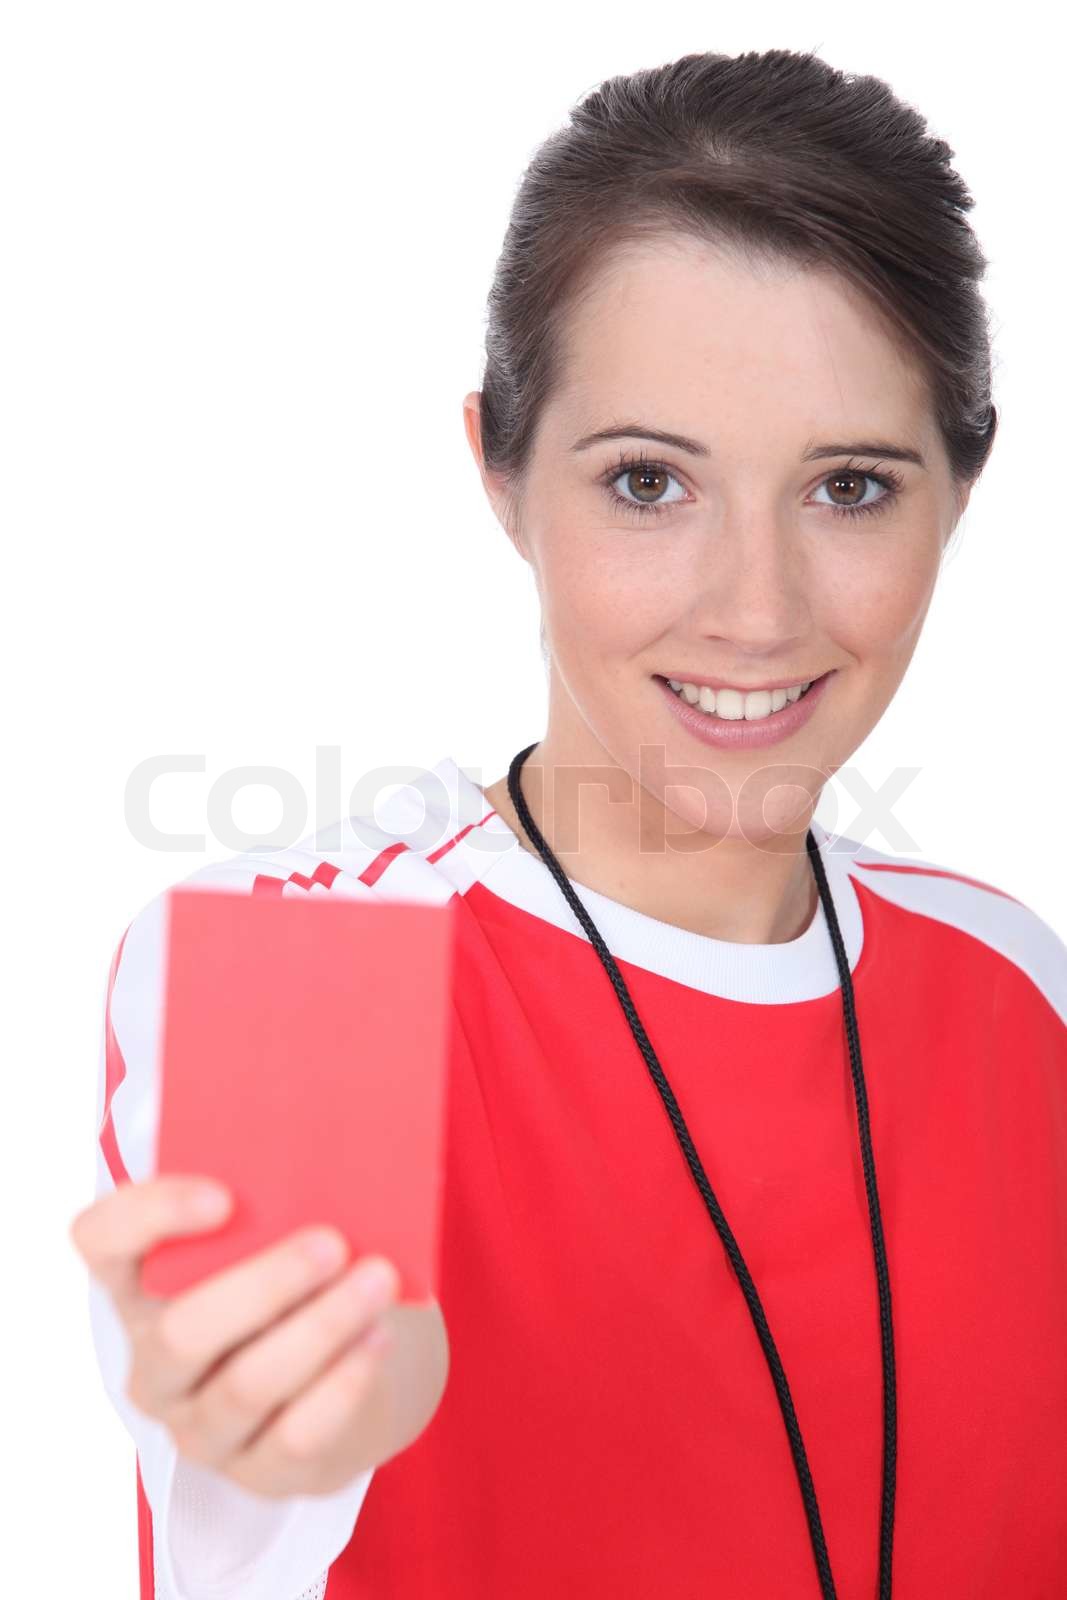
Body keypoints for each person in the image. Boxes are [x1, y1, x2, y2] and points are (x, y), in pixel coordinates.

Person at [69, 45, 1067, 1600]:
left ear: (961, 491)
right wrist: (297, 1432)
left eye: (853, 488)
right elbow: (266, 1452)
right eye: (651, 482)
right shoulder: (319, 958)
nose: (755, 607)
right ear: (501, 474)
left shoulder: (1015, 980)